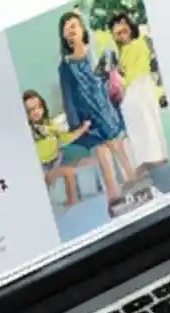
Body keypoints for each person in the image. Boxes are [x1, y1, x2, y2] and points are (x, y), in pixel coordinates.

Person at [57, 12, 136, 215]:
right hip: (88, 119)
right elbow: (68, 98)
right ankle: (115, 205)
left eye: (74, 25)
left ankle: (138, 191)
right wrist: (77, 126)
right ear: (65, 36)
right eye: (66, 28)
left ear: (82, 29)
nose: (71, 30)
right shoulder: (65, 66)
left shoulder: (97, 52)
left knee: (122, 155)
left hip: (106, 110)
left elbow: (112, 79)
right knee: (105, 163)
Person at [110, 12, 168, 173]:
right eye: (117, 34)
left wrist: (123, 85)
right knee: (140, 125)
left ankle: (155, 159)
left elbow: (135, 71)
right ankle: (148, 159)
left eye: (124, 31)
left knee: (147, 123)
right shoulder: (123, 50)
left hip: (141, 87)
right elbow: (125, 71)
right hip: (134, 90)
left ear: (130, 28)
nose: (121, 36)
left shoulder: (138, 44)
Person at [24, 90, 90, 207]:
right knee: (67, 172)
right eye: (30, 110)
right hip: (43, 167)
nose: (36, 112)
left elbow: (65, 138)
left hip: (58, 158)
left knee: (86, 161)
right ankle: (71, 204)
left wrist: (83, 128)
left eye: (38, 107)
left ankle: (75, 202)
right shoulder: (28, 130)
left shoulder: (49, 124)